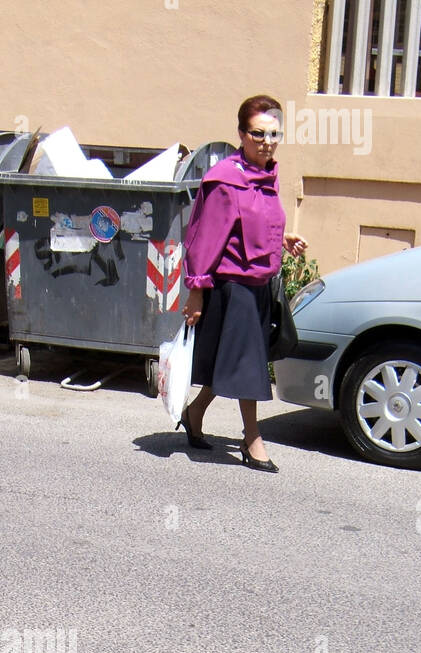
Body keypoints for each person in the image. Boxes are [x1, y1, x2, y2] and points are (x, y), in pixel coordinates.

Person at [180, 95, 307, 473]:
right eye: (258, 133)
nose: (267, 141)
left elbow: (250, 222)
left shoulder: (267, 175)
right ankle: (252, 439)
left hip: (259, 285)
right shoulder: (225, 180)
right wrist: (197, 289)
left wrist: (279, 239)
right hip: (232, 288)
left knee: (232, 362)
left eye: (274, 133)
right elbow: (205, 238)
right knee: (248, 365)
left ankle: (195, 412)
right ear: (241, 133)